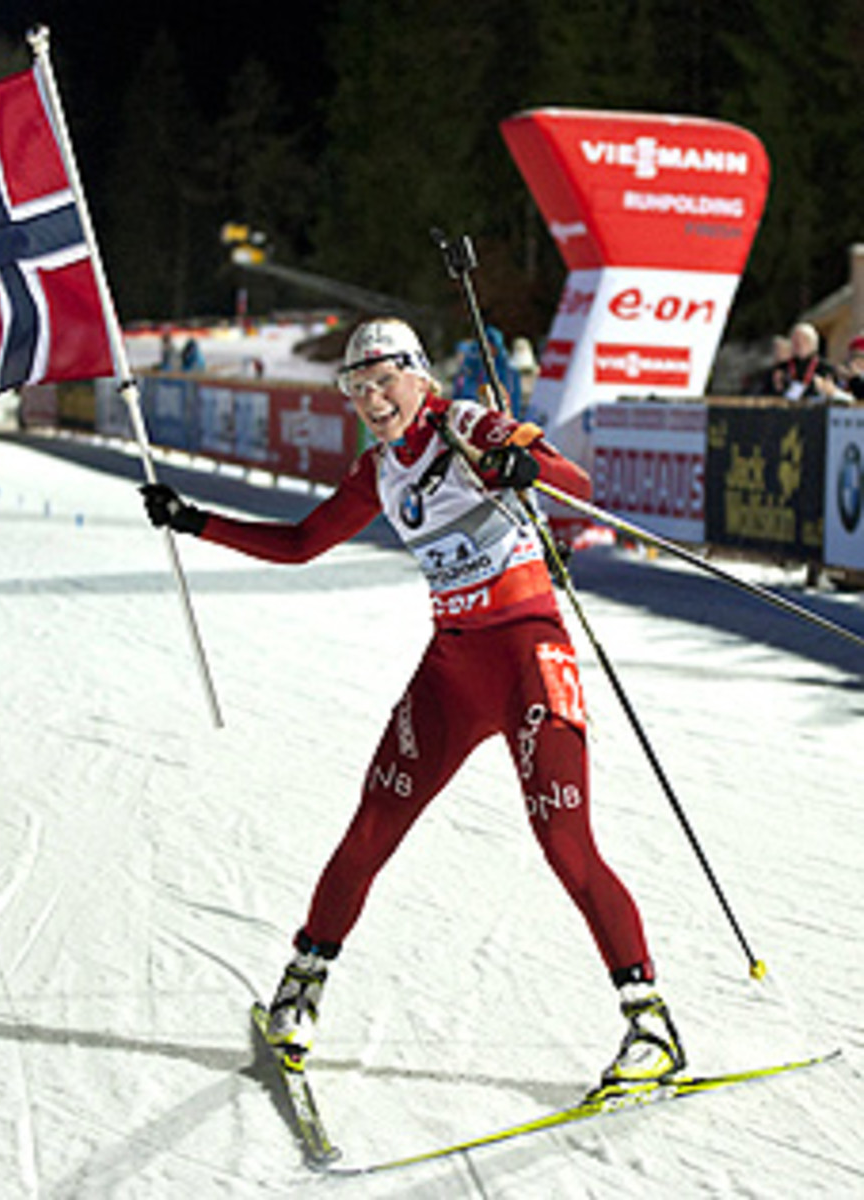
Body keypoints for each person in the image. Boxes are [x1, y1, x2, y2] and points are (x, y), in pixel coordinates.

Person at [139, 317, 685, 1089]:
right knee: (371, 827)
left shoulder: (463, 423)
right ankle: (299, 990)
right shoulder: (379, 470)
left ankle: (649, 1022)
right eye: (357, 389)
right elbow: (301, 545)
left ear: (418, 375)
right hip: (452, 669)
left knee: (564, 841)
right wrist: (192, 519)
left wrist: (516, 461)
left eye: (383, 381)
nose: (372, 399)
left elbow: (578, 487)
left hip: (530, 652)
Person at [777, 322, 841, 401]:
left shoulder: (826, 368)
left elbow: (835, 393)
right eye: (795, 340)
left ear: (814, 343)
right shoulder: (781, 368)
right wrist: (776, 386)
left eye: (804, 339)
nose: (799, 343)